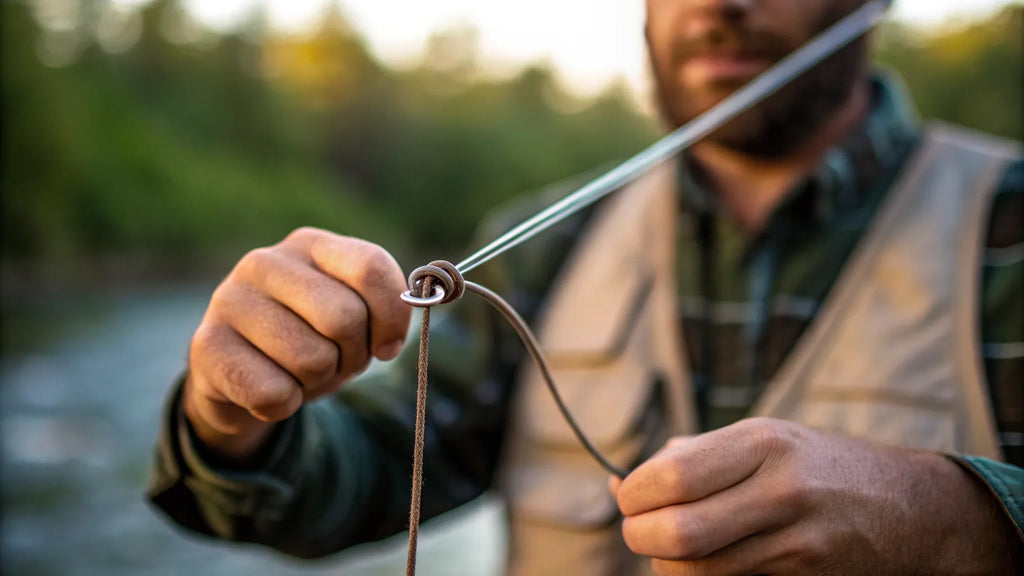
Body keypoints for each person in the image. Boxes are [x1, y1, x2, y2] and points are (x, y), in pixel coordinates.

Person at [147, 0, 1024, 574]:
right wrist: (231, 419)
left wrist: (964, 518)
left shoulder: (1009, 230)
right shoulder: (540, 244)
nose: (721, 8)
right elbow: (372, 470)